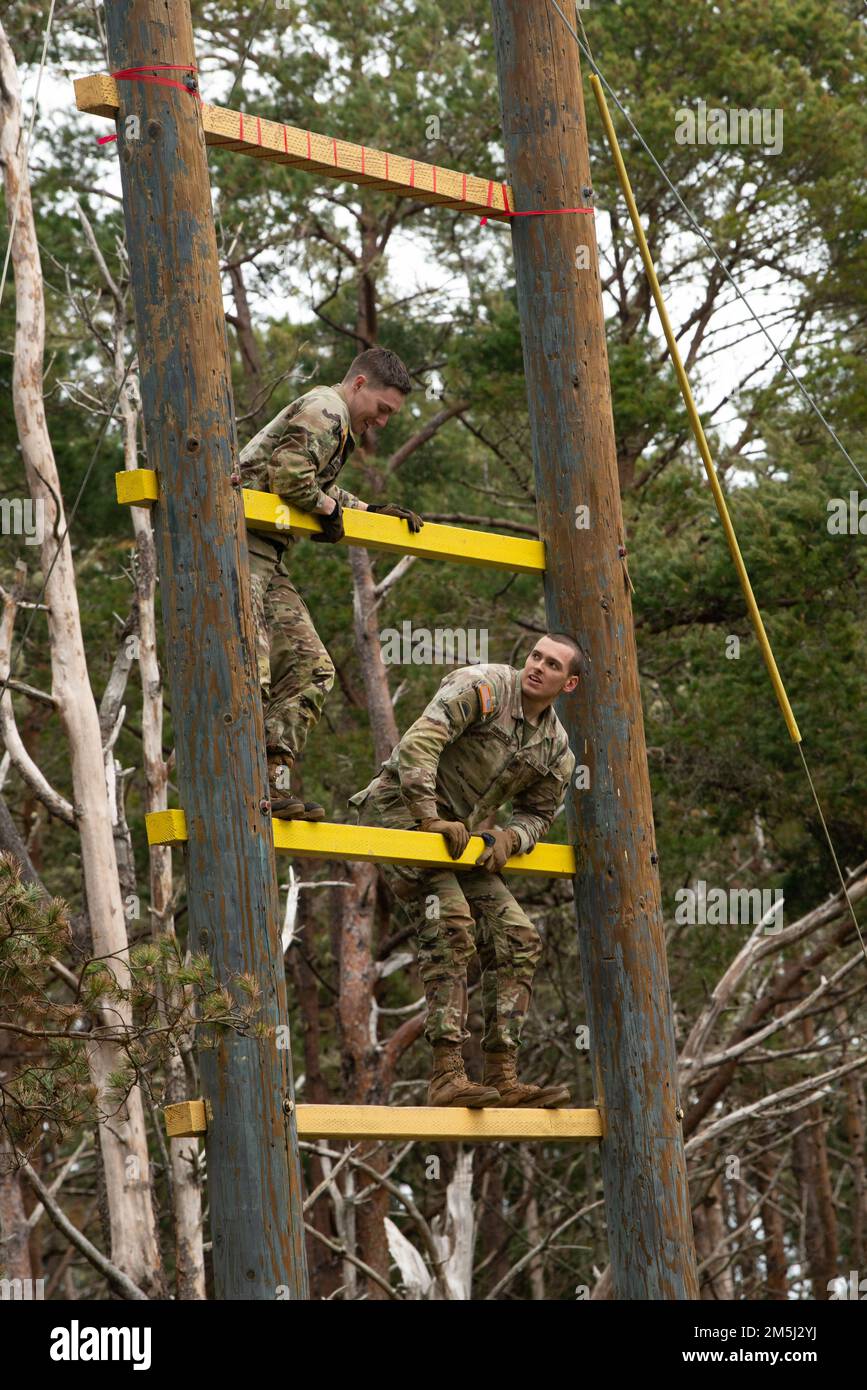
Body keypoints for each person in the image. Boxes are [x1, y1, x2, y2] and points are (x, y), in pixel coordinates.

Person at [348, 634, 580, 1108]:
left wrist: (510, 839)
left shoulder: (556, 748)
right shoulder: (483, 687)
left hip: (457, 837)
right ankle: (447, 1074)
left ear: (569, 683)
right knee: (451, 921)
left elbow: (539, 812)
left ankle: (502, 1073)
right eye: (534, 655)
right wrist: (428, 813)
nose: (537, 666)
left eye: (552, 664)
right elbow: (421, 742)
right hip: (401, 811)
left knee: (518, 936)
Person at [239, 347, 422, 819]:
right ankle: (238, 787)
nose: (382, 422)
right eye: (382, 409)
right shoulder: (328, 409)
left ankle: (273, 789)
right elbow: (290, 478)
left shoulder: (336, 422)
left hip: (265, 554)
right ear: (359, 384)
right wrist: (328, 510)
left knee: (311, 669)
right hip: (232, 547)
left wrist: (366, 513)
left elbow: (315, 481)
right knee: (248, 673)